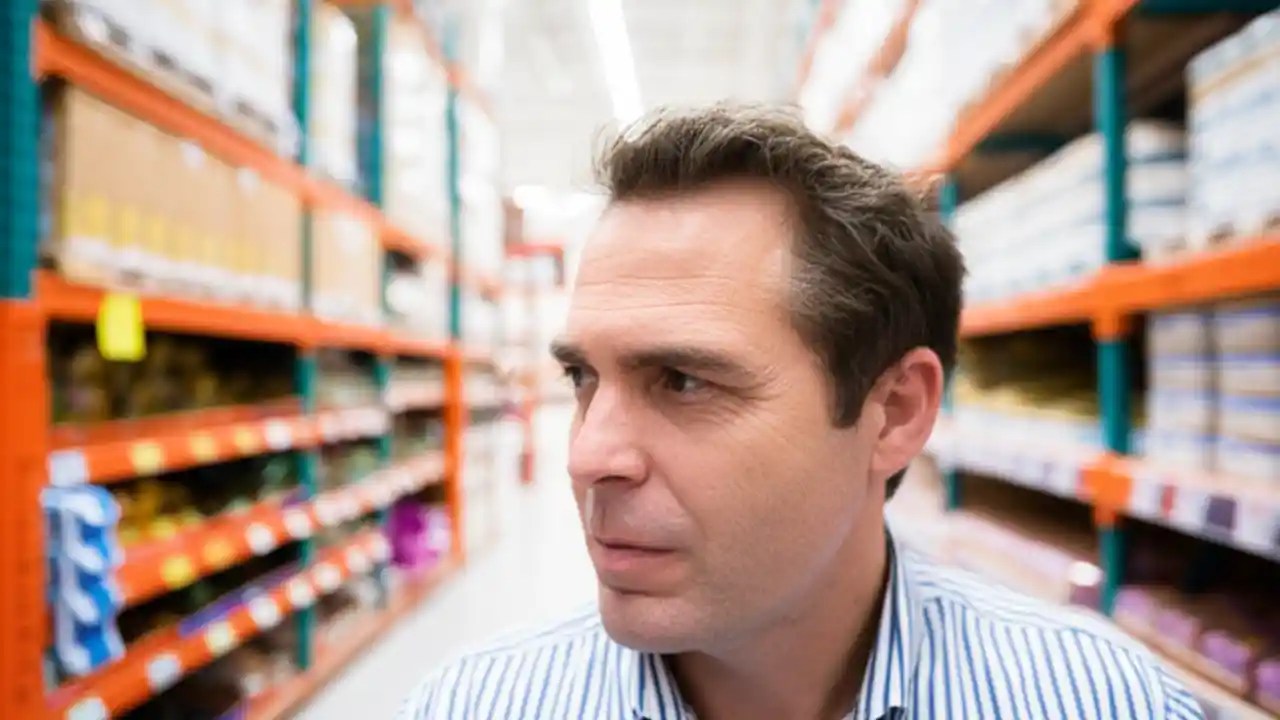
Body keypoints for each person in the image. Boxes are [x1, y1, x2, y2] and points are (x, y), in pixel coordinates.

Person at [397, 104, 1203, 720]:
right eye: (583, 378)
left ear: (892, 414)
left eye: (681, 380)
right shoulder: (473, 704)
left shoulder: (1104, 702)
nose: (586, 456)